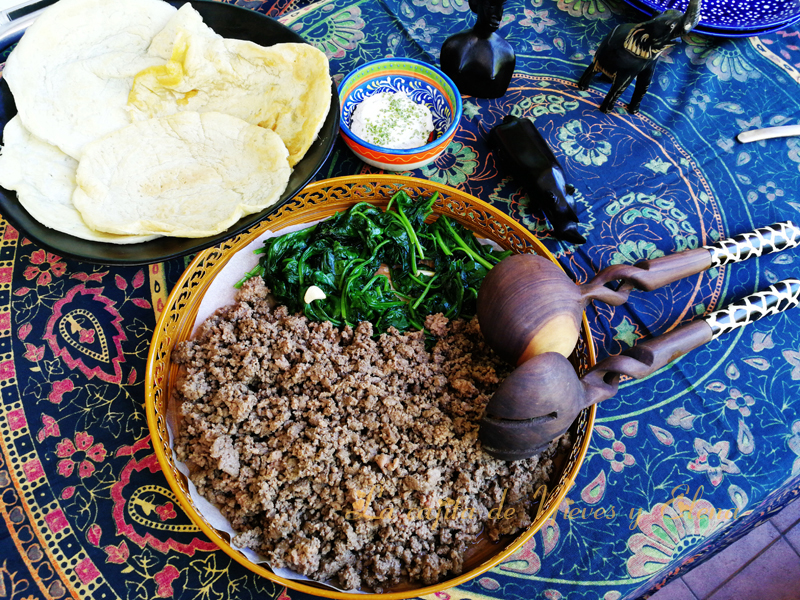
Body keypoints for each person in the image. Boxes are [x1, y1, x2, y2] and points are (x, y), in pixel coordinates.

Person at [440, 0, 515, 98]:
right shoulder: (452, 46)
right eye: (491, 5)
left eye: (501, 6)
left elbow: (499, 90)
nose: (498, 15)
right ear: (474, 3)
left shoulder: (507, 55)